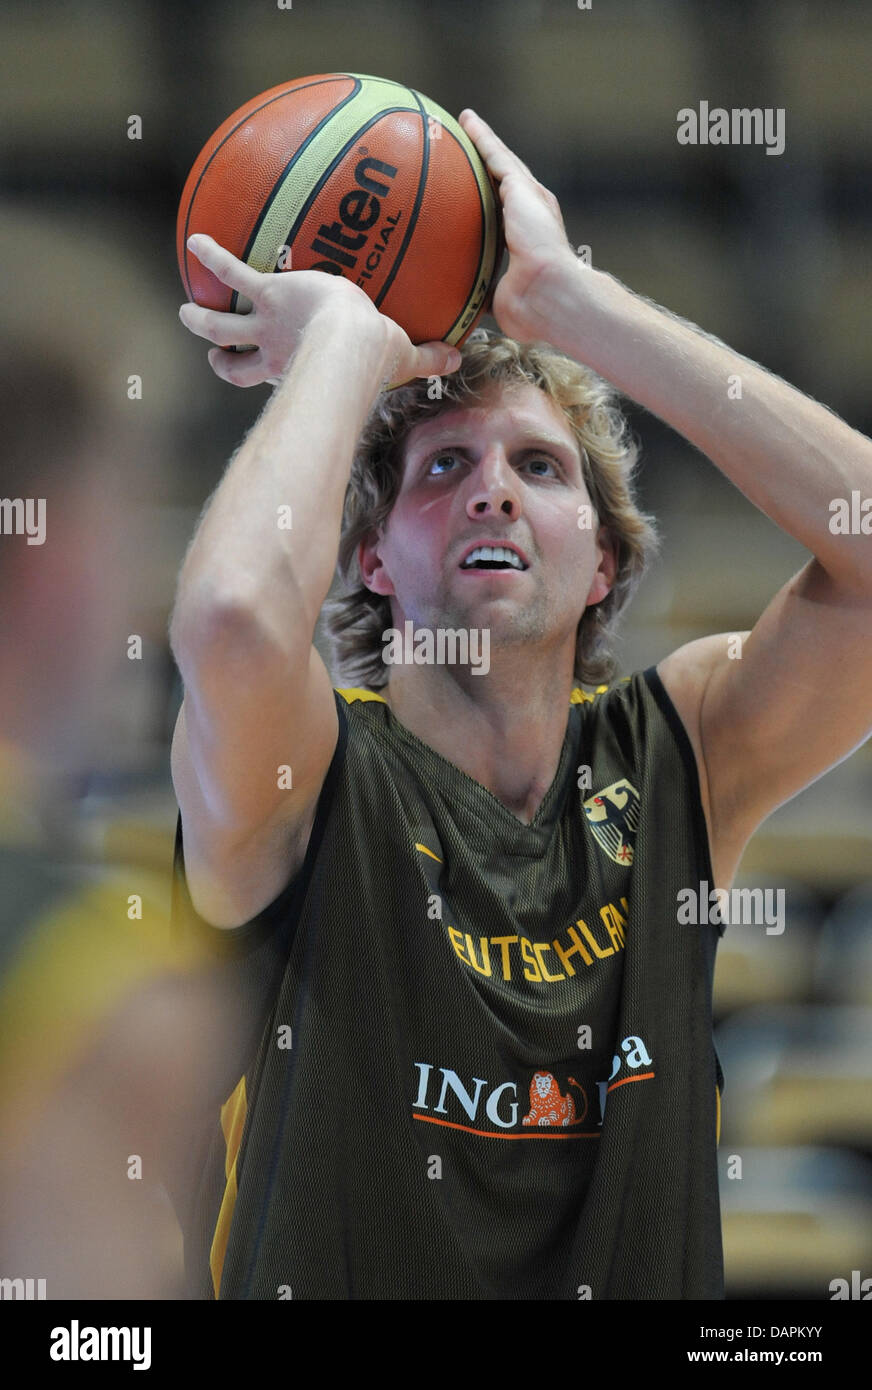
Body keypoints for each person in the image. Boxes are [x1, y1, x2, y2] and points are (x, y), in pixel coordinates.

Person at [169, 109, 872, 1300]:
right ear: (372, 560)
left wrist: (569, 304)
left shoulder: (677, 753)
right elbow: (234, 617)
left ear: (600, 559)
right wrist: (347, 333)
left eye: (538, 467)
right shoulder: (304, 772)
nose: (492, 491)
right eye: (442, 467)